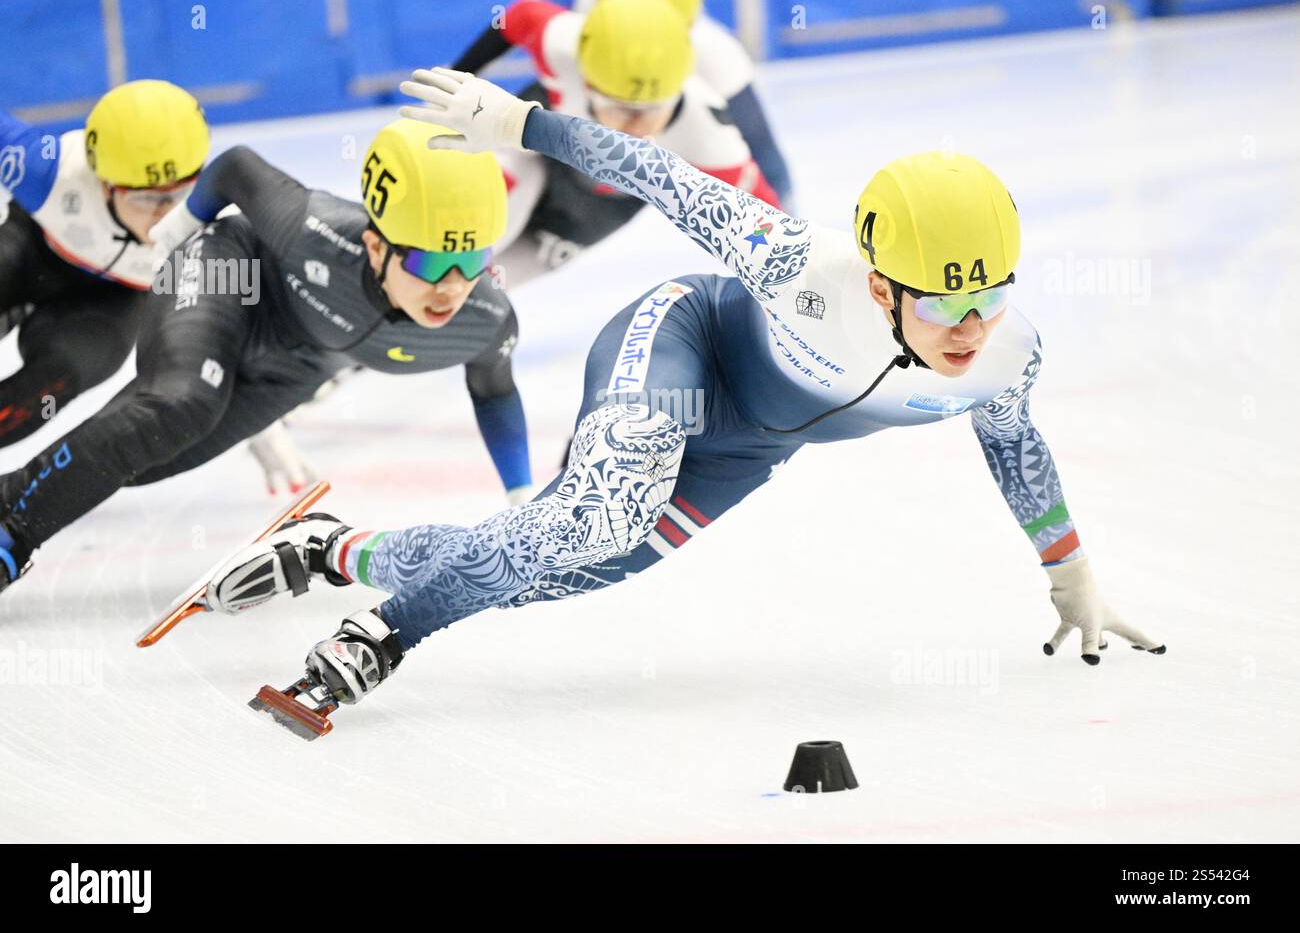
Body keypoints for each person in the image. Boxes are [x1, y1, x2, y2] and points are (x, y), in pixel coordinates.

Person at [202, 70, 1164, 731]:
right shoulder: (801, 266)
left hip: (748, 446)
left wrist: (1068, 571)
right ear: (879, 286)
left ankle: (332, 550)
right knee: (595, 517)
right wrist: (523, 125)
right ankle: (380, 635)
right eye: (950, 300)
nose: (974, 326)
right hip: (682, 347)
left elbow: (1015, 443)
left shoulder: (1008, 353)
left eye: (991, 297)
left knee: (570, 566)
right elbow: (662, 176)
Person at [0, 119, 531, 594]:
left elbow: (495, 390)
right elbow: (235, 166)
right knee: (177, 405)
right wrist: (181, 229)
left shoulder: (485, 321)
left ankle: (11, 498)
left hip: (298, 366)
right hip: (234, 272)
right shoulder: (311, 227)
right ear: (376, 247)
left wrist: (520, 498)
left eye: (471, 260)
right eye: (432, 262)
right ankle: (12, 536)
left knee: (141, 459)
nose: (452, 288)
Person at [452, 0, 784, 288]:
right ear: (585, 80)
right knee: (461, 255)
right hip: (534, 144)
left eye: (652, 110)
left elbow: (769, 219)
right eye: (619, 108)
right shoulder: (561, 40)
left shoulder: (708, 136)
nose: (633, 127)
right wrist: (456, 79)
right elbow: (517, 17)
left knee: (482, 289)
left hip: (595, 205)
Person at [0, 80, 208, 446]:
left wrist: (263, 432)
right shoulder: (46, 171)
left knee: (58, 377)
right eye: (146, 198)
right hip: (31, 250)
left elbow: (229, 332)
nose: (168, 214)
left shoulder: (213, 224)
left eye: (181, 190)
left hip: (107, 302)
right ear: (104, 184)